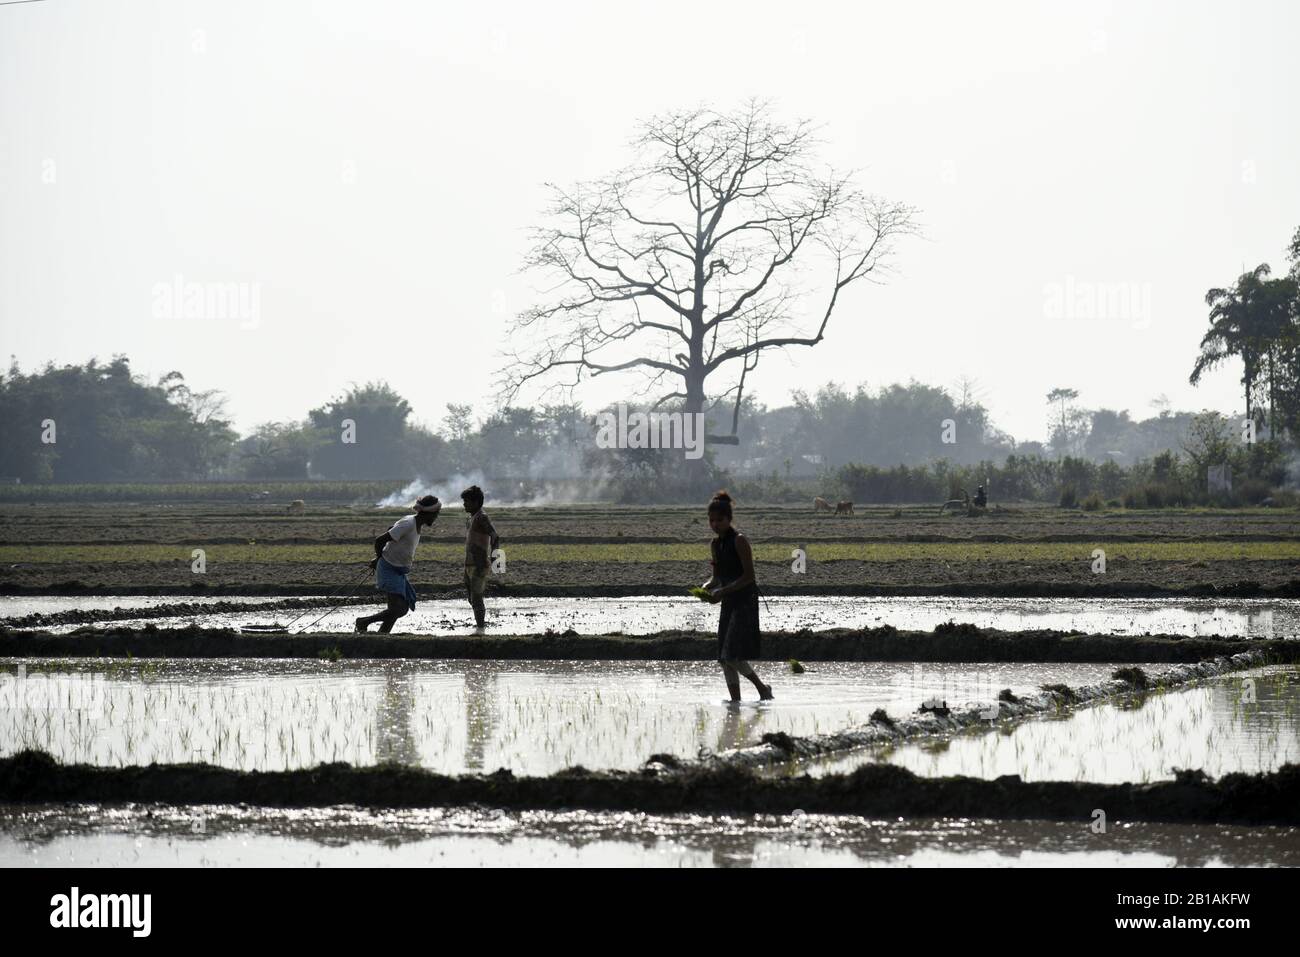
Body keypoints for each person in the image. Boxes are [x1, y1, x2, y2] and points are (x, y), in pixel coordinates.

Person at [701, 490, 773, 703]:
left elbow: (749, 576)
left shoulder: (739, 541)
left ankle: (762, 688)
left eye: (720, 520)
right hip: (729, 601)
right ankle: (735, 702)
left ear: (729, 519)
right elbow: (716, 578)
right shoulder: (715, 545)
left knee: (731, 656)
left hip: (744, 601)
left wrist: (721, 591)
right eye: (712, 520)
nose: (715, 524)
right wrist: (706, 588)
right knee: (724, 659)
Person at [355, 495, 441, 633]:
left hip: (397, 570)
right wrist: (379, 558)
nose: (436, 517)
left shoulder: (413, 523)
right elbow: (379, 540)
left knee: (395, 610)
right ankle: (363, 621)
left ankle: (382, 635)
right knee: (400, 609)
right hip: (389, 569)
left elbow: (392, 529)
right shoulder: (409, 523)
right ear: (429, 513)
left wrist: (381, 556)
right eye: (436, 514)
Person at [461, 485, 499, 633]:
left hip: (479, 564)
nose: (464, 504)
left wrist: (496, 558)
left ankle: (481, 629)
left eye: (467, 501)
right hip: (468, 563)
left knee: (476, 598)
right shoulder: (471, 518)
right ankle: (480, 626)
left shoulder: (482, 517)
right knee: (471, 598)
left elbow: (495, 536)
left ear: (476, 502)